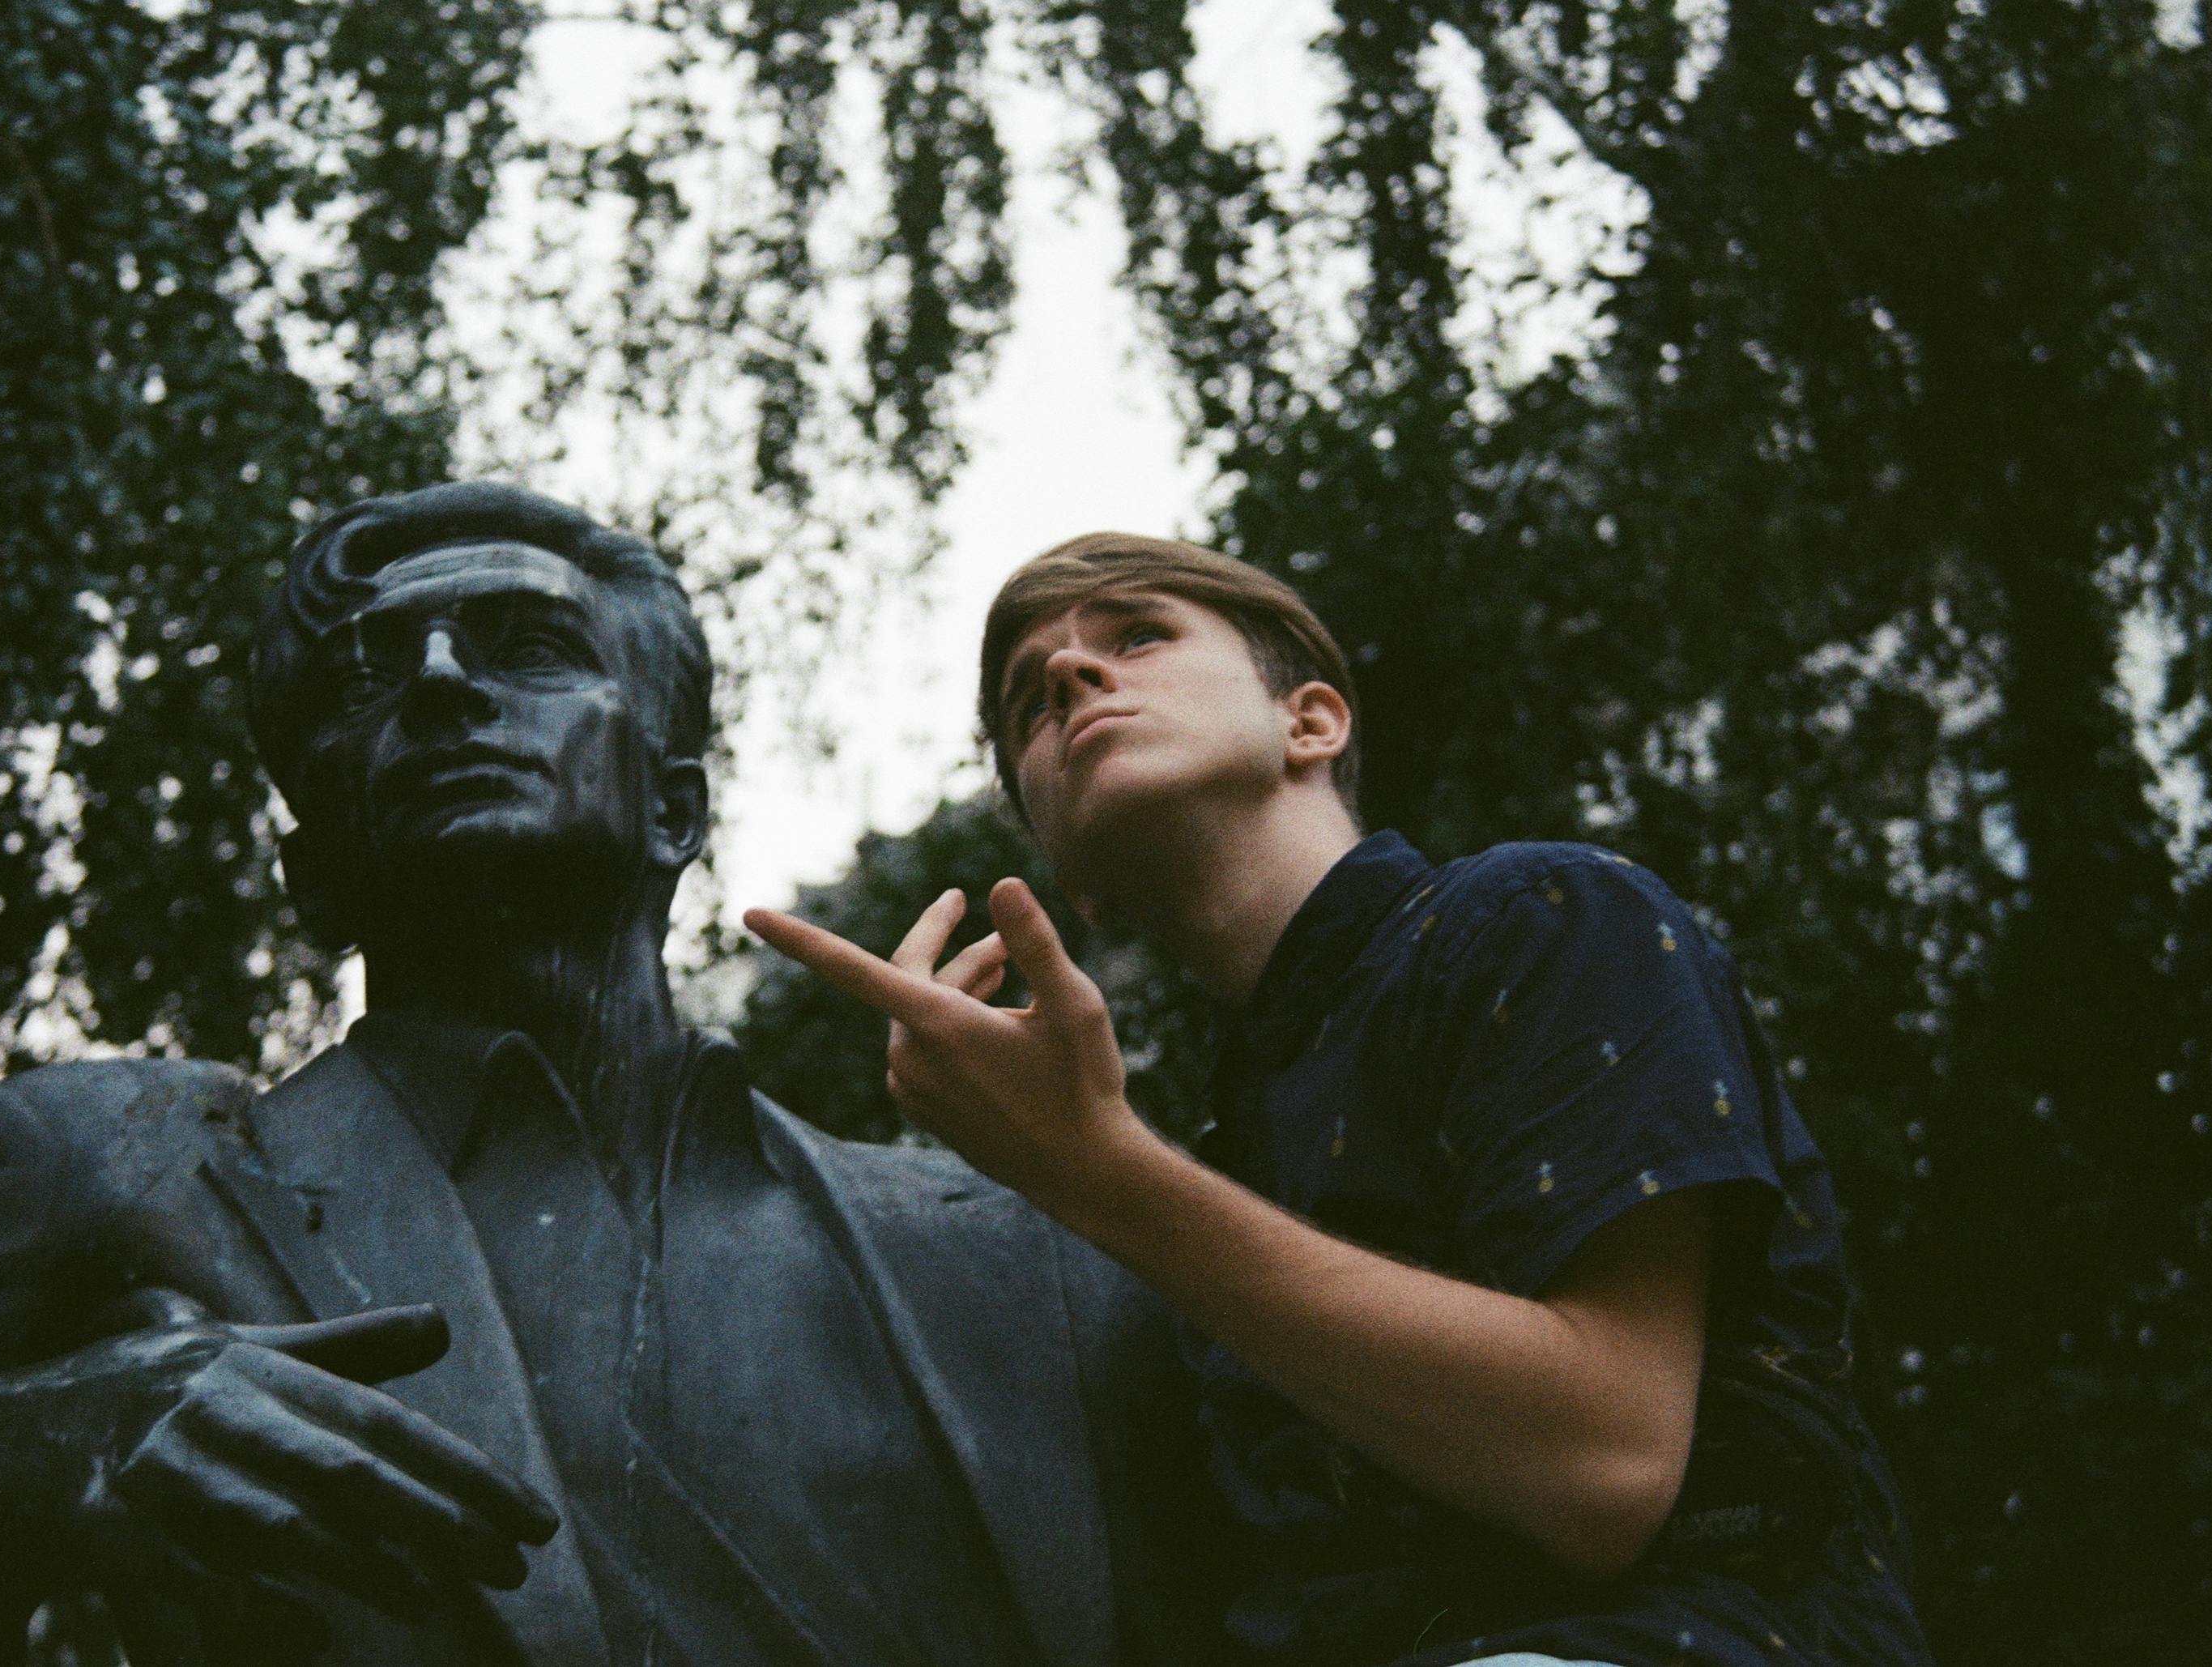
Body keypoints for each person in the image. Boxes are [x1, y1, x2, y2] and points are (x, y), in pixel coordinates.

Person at [0, 488, 1226, 1666]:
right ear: (310, 876)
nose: (433, 684)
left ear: (672, 807)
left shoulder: (1022, 1257)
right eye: (370, 681)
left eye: (527, 651)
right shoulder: (114, 1167)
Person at [746, 531, 1933, 1667]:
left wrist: (1092, 1167)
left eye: (1139, 633)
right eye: (1025, 706)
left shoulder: (1541, 920)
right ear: (1073, 880)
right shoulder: (1226, 1155)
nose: (1066, 672)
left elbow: (1604, 1463)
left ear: (1306, 719)